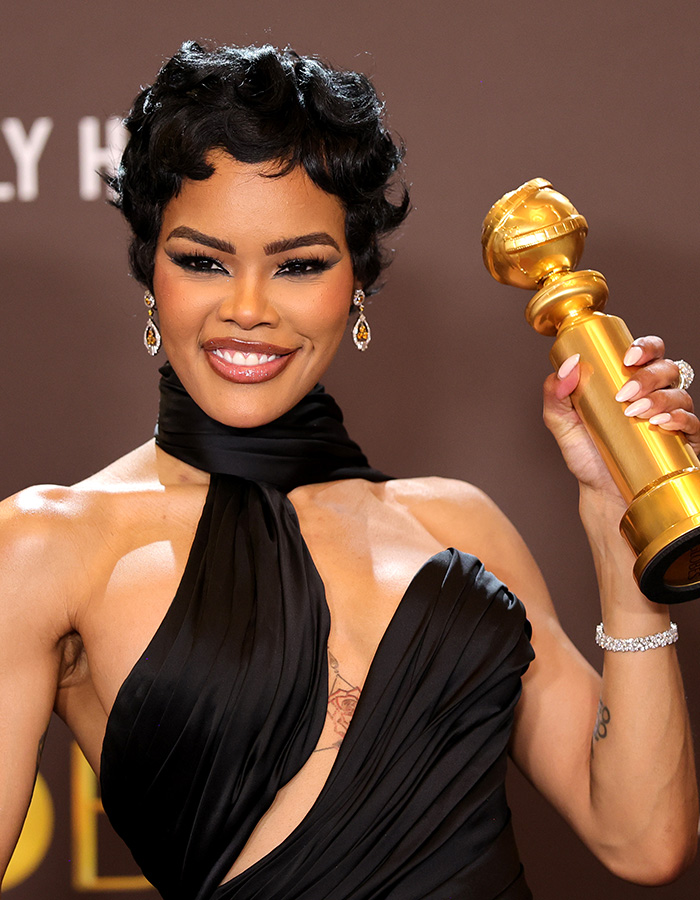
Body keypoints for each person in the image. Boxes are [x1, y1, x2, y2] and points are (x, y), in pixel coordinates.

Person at [0, 40, 697, 900]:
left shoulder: (457, 526)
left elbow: (642, 839)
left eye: (299, 265)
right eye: (202, 261)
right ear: (150, 275)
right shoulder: (50, 546)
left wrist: (618, 525)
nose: (248, 309)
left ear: (357, 285)